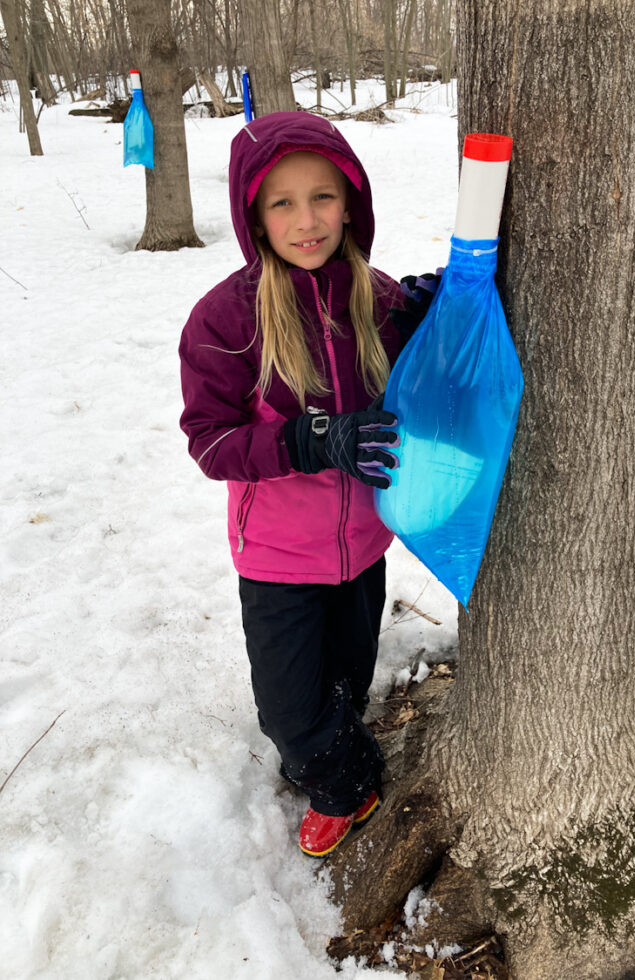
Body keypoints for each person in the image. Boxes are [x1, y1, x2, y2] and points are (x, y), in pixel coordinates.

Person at [179, 112, 433, 858]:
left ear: (350, 200)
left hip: (363, 542)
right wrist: (308, 437)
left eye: (322, 196)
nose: (306, 219)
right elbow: (210, 439)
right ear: (252, 215)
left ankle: (337, 744)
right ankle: (341, 783)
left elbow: (422, 379)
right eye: (281, 202)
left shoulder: (377, 297)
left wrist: (436, 309)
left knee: (347, 681)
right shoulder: (225, 318)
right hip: (278, 555)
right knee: (290, 709)